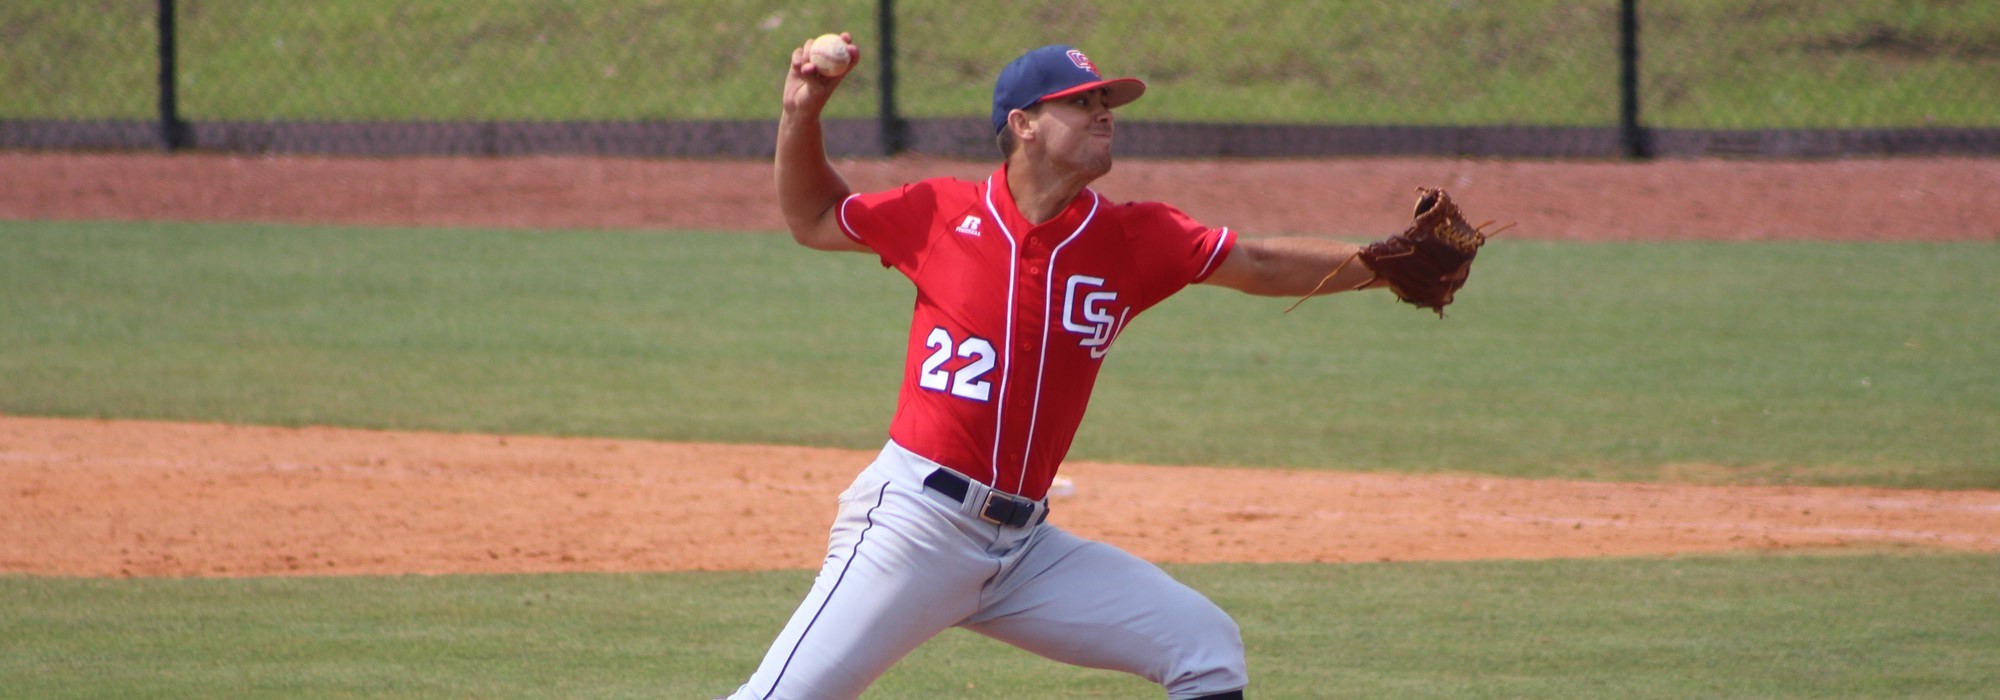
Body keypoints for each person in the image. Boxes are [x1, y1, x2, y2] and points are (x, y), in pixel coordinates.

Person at [727, 37, 1389, 700]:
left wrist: (1384, 266)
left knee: (1204, 644)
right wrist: (801, 113)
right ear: (1024, 125)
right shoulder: (941, 211)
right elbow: (812, 216)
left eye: (1106, 102)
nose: (1104, 114)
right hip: (915, 529)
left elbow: (1263, 264)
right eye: (1080, 103)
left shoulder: (1133, 237)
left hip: (1023, 554)